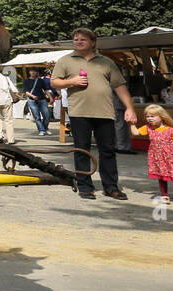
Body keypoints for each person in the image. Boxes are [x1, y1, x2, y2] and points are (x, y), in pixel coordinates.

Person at [51, 28, 138, 201]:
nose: (78, 42)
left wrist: (130, 108)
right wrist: (72, 81)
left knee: (108, 151)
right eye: (76, 39)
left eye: (83, 39)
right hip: (79, 112)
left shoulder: (106, 62)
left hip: (105, 112)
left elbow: (119, 86)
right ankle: (85, 186)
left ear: (93, 42)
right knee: (82, 149)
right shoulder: (65, 60)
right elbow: (55, 82)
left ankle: (111, 187)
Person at [131, 105, 173, 206]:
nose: (149, 119)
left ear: (162, 117)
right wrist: (132, 124)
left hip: (172, 157)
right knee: (161, 176)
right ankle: (164, 196)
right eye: (147, 116)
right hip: (157, 157)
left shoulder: (171, 130)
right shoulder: (148, 128)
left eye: (153, 116)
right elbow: (136, 133)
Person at [22, 67, 53, 136]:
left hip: (42, 99)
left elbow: (45, 90)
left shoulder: (40, 80)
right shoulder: (26, 81)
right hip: (32, 100)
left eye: (34, 71)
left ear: (37, 72)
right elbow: (26, 91)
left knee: (47, 115)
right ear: (29, 72)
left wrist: (50, 97)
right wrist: (32, 96)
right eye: (31, 71)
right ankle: (41, 130)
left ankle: (45, 128)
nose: (33, 72)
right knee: (37, 116)